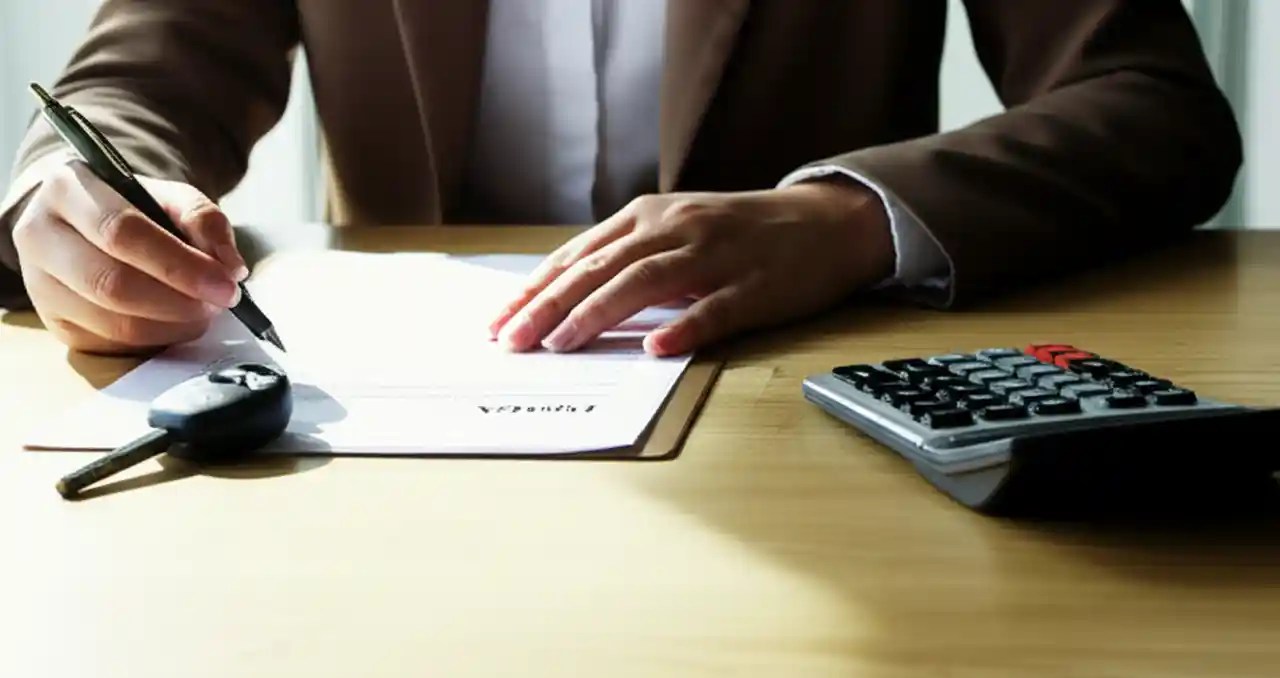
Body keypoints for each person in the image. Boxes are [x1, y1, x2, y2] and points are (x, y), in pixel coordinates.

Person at [0, 0, 1241, 357]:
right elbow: (131, 89)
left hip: (807, 408)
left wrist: (842, 220)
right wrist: (73, 191)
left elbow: (1152, 106)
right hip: (405, 447)